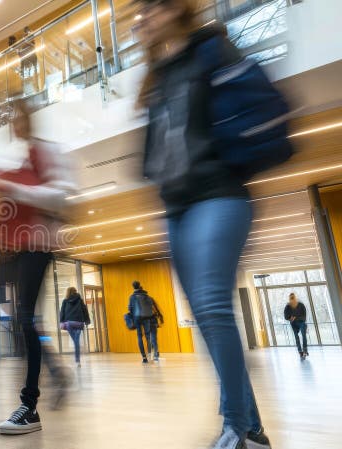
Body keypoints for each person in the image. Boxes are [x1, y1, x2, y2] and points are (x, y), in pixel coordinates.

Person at [136, 1, 277, 446]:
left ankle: (234, 425)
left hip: (220, 193)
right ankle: (250, 427)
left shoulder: (211, 51)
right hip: (176, 207)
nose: (142, 19)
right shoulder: (158, 73)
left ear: (175, 8)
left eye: (150, 9)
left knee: (215, 307)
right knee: (206, 317)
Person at [0, 99, 76, 435]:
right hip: (22, 248)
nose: (15, 124)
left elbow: (61, 196)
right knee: (25, 319)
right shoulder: (25, 158)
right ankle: (51, 377)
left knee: (25, 318)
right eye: (11, 120)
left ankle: (30, 403)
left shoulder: (46, 152)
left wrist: (13, 189)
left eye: (18, 118)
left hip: (39, 246)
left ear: (29, 119)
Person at [128, 281, 161, 363]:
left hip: (137, 318)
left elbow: (130, 308)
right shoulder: (147, 296)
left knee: (139, 337)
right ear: (140, 286)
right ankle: (150, 355)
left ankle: (144, 358)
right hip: (146, 317)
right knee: (148, 337)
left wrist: (132, 317)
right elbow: (151, 307)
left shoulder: (132, 297)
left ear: (133, 287)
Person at [59, 287, 90, 367]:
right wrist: (87, 320)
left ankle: (77, 360)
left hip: (69, 323)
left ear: (68, 292)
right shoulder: (80, 300)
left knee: (75, 341)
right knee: (76, 341)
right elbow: (85, 310)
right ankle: (77, 361)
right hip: (79, 323)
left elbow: (62, 312)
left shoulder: (65, 301)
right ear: (75, 292)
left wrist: (61, 322)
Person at [284, 292, 309, 360]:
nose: (292, 299)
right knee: (296, 336)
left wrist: (296, 318)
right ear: (289, 298)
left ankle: (305, 350)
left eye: (293, 297)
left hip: (301, 322)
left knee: (303, 335)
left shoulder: (301, 305)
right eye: (291, 298)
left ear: (295, 297)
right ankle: (300, 351)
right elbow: (286, 316)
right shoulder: (288, 306)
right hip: (293, 323)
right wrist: (290, 318)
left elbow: (304, 316)